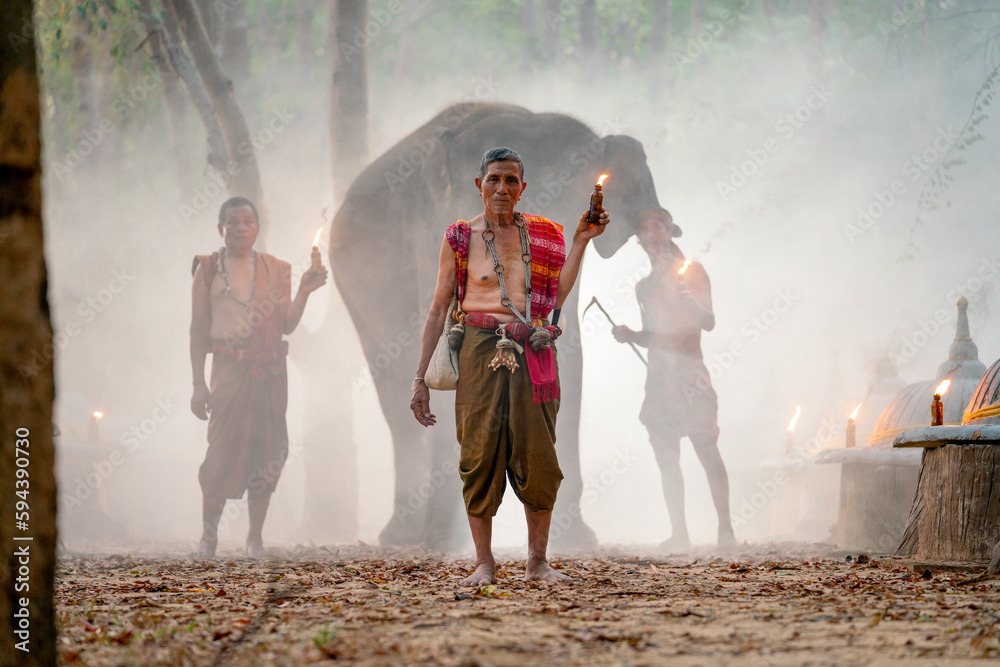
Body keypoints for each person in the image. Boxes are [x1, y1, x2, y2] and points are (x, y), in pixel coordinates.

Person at [409, 147, 609, 585]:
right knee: (478, 454)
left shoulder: (545, 235)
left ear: (523, 189)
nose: (502, 188)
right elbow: (438, 307)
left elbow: (554, 298)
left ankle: (538, 562)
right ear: (479, 185)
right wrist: (419, 379)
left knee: (538, 455)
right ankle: (484, 562)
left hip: (532, 350)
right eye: (494, 179)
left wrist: (579, 240)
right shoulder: (460, 237)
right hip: (478, 350)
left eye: (511, 181)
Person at [190, 197, 327, 557]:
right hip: (227, 369)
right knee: (220, 452)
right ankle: (208, 537)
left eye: (247, 221)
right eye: (232, 222)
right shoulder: (206, 269)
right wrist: (197, 383)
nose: (240, 228)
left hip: (268, 373)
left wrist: (304, 291)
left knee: (267, 452)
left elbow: (286, 325)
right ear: (221, 228)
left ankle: (255, 538)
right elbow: (196, 331)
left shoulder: (275, 268)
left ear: (257, 227)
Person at [612, 210, 735, 550]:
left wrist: (691, 303)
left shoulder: (692, 272)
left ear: (669, 232)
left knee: (706, 449)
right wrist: (630, 334)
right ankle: (679, 532)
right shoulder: (644, 286)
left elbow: (708, 322)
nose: (649, 233)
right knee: (667, 457)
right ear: (638, 239)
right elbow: (654, 336)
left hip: (688, 371)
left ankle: (726, 529)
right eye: (643, 228)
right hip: (659, 375)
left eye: (656, 226)